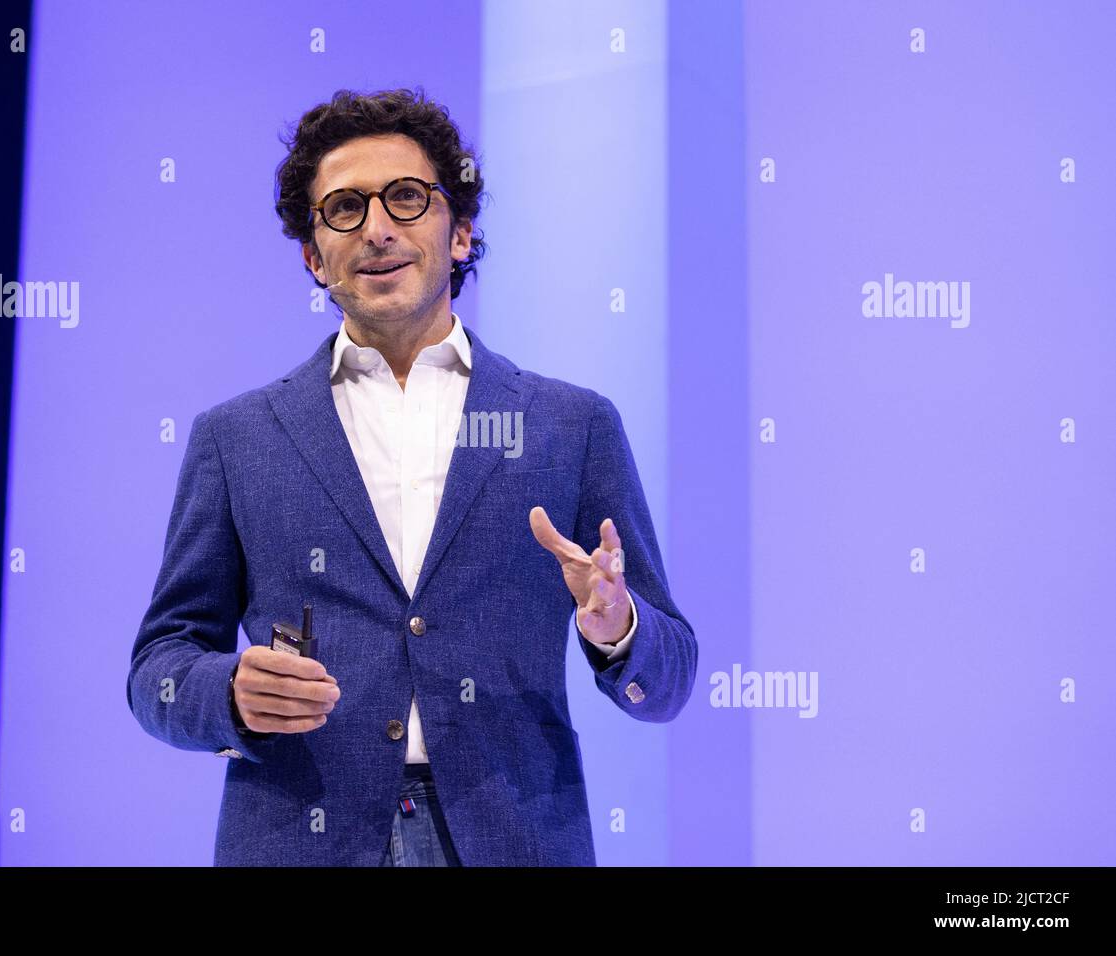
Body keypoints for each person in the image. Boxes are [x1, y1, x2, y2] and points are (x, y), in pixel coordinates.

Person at [127, 87, 698, 866]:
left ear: (460, 232)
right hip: (301, 838)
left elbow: (667, 683)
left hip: (513, 840)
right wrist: (227, 694)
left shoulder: (572, 424)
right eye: (344, 209)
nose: (377, 229)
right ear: (313, 255)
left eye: (405, 198)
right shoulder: (236, 438)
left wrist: (617, 629)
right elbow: (158, 668)